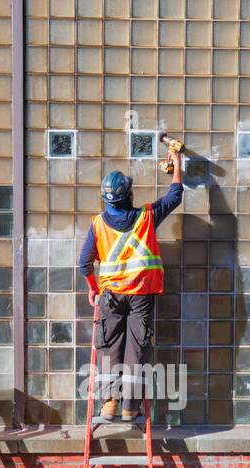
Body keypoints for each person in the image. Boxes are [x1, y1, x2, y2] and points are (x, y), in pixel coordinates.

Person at [78, 148, 184, 420]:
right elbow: (174, 196)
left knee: (109, 347)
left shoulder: (98, 224)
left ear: (106, 199)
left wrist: (94, 287)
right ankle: (130, 408)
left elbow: (84, 263)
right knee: (136, 349)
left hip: (111, 296)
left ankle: (110, 404)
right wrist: (177, 163)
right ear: (130, 195)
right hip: (141, 296)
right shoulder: (147, 217)